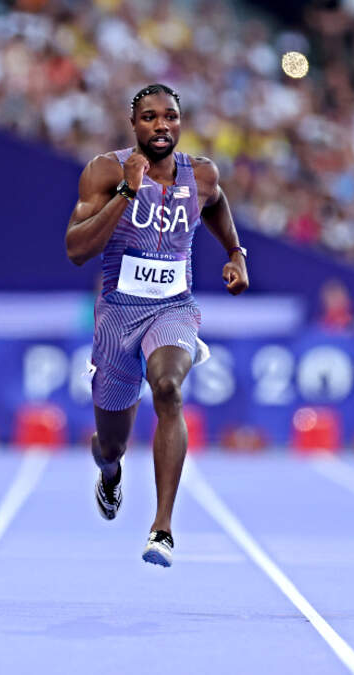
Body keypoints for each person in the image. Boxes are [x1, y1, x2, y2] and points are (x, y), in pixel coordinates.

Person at [65, 84, 249, 567]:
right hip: (117, 316)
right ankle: (108, 469)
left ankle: (161, 528)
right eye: (149, 117)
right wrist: (127, 189)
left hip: (174, 308)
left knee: (168, 387)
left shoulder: (201, 174)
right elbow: (77, 249)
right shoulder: (105, 171)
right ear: (135, 125)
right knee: (112, 442)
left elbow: (217, 203)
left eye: (170, 116)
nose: (161, 125)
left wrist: (235, 253)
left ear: (180, 123)